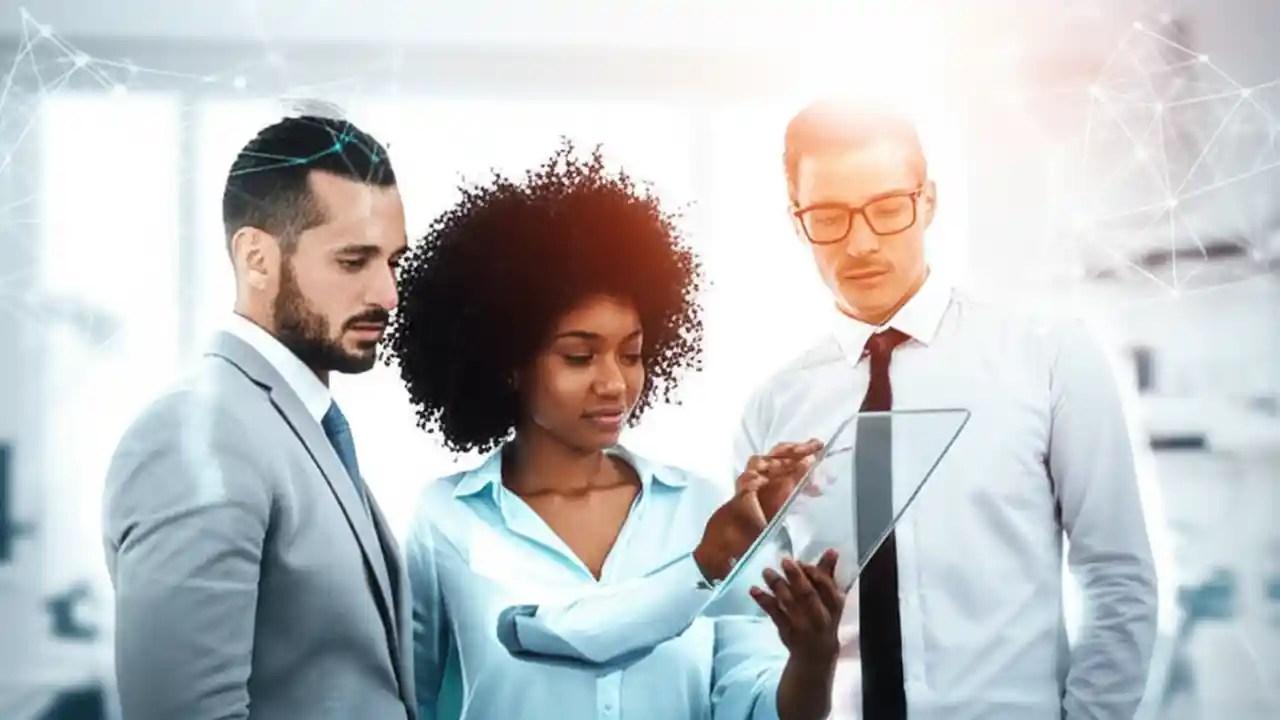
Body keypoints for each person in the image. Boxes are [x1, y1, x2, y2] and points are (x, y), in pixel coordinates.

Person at [731, 99, 1160, 718]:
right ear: (797, 222)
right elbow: (751, 627)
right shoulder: (774, 410)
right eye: (828, 216)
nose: (860, 242)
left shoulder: (1046, 357)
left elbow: (1117, 576)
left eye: (886, 209)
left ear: (927, 201)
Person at [387, 142, 846, 720]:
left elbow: (752, 706)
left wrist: (813, 657)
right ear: (508, 360)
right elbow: (413, 703)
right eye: (579, 357)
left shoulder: (700, 506)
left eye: (630, 354)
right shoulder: (448, 520)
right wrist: (707, 562)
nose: (614, 384)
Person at [103, 115, 415, 720]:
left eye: (393, 262)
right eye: (354, 261)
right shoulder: (194, 438)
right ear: (257, 258)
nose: (387, 294)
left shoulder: (293, 428)